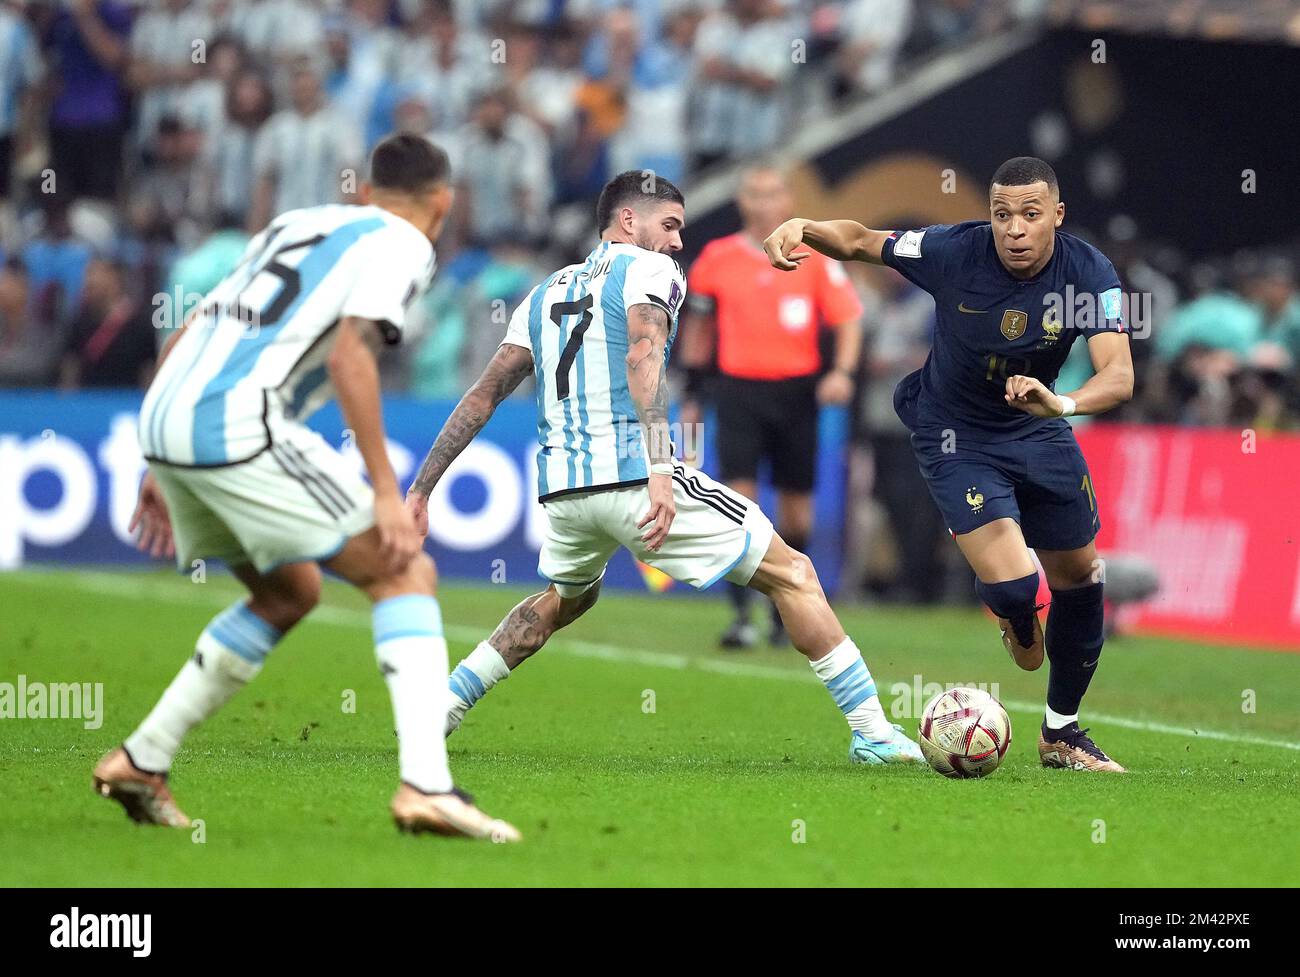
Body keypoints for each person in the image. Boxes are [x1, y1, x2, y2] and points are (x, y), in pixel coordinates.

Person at [405, 171, 921, 768]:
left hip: (565, 492)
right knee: (796, 574)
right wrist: (658, 467)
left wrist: (421, 487)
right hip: (631, 475)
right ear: (629, 221)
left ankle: (445, 704)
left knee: (565, 598)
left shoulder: (545, 290)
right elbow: (643, 353)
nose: (678, 242)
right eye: (670, 225)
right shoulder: (650, 270)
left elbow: (482, 395)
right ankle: (873, 732)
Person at [93, 134, 519, 841]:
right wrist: (386, 488)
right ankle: (427, 786)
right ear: (442, 202)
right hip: (237, 423)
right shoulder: (407, 245)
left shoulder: (298, 223)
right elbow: (354, 351)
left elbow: (198, 319)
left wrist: (155, 454)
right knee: (404, 568)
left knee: (289, 591)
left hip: (174, 413)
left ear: (365, 190)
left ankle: (143, 758)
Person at [764, 156, 1135, 772]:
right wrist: (802, 226)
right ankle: (1015, 611)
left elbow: (1119, 376)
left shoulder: (1087, 272)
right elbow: (859, 240)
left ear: (1057, 216)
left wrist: (1060, 403)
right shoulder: (953, 251)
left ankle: (1062, 733)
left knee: (1082, 576)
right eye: (1001, 214)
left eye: (1030, 215)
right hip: (954, 433)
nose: (1014, 229)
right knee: (1018, 585)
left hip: (1039, 425)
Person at [679, 164, 862, 648]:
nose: (763, 203)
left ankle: (785, 609)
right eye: (754, 194)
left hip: (798, 395)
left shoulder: (815, 256)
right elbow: (699, 331)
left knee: (797, 516)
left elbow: (848, 319)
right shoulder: (716, 259)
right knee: (741, 507)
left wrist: (841, 373)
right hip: (737, 391)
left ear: (787, 200)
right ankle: (742, 618)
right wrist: (692, 395)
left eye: (772, 193)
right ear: (742, 201)